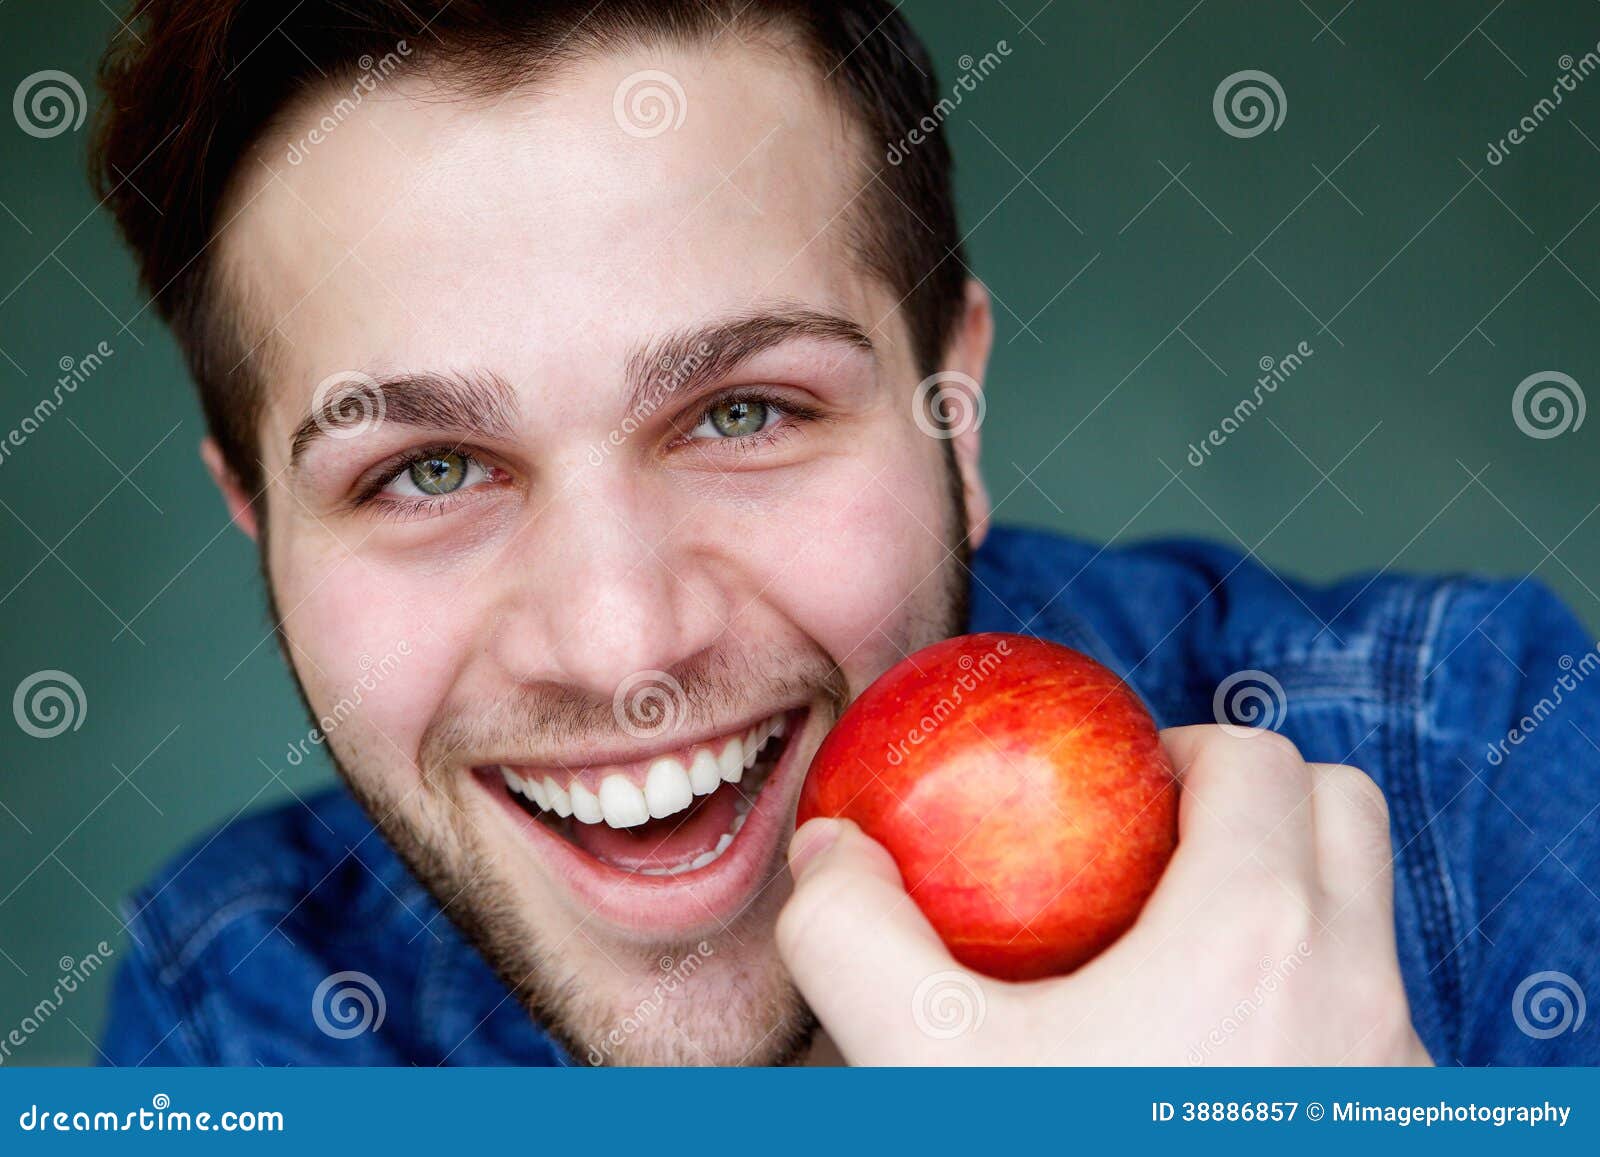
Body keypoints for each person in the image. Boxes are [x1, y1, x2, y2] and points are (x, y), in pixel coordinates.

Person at [91, 0, 1597, 1066]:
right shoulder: (249, 1010)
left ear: (957, 413)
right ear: (260, 517)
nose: (625, 643)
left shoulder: (1485, 766)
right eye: (425, 469)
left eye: (743, 412)